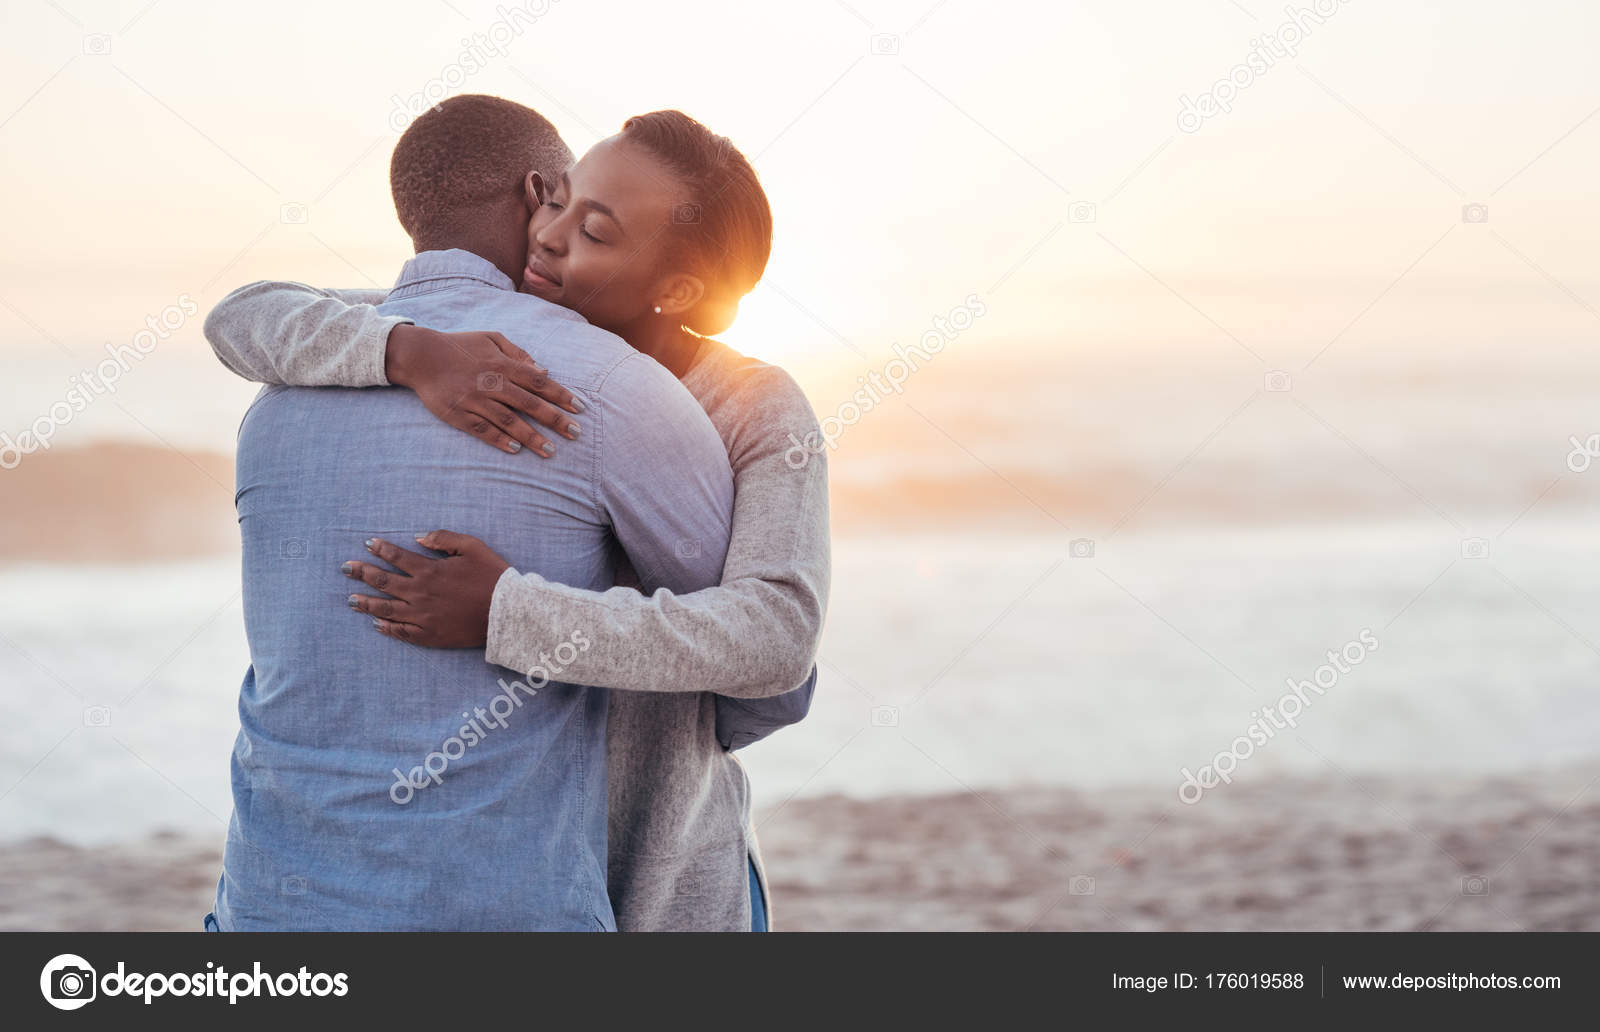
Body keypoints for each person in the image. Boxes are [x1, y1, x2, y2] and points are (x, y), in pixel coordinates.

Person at [206, 98, 831, 931]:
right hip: (522, 870)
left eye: (596, 232)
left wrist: (511, 613)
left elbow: (777, 652)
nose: (550, 235)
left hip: (659, 867)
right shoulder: (466, 350)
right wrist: (407, 352)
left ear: (678, 285)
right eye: (557, 201)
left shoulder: (751, 405)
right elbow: (246, 314)